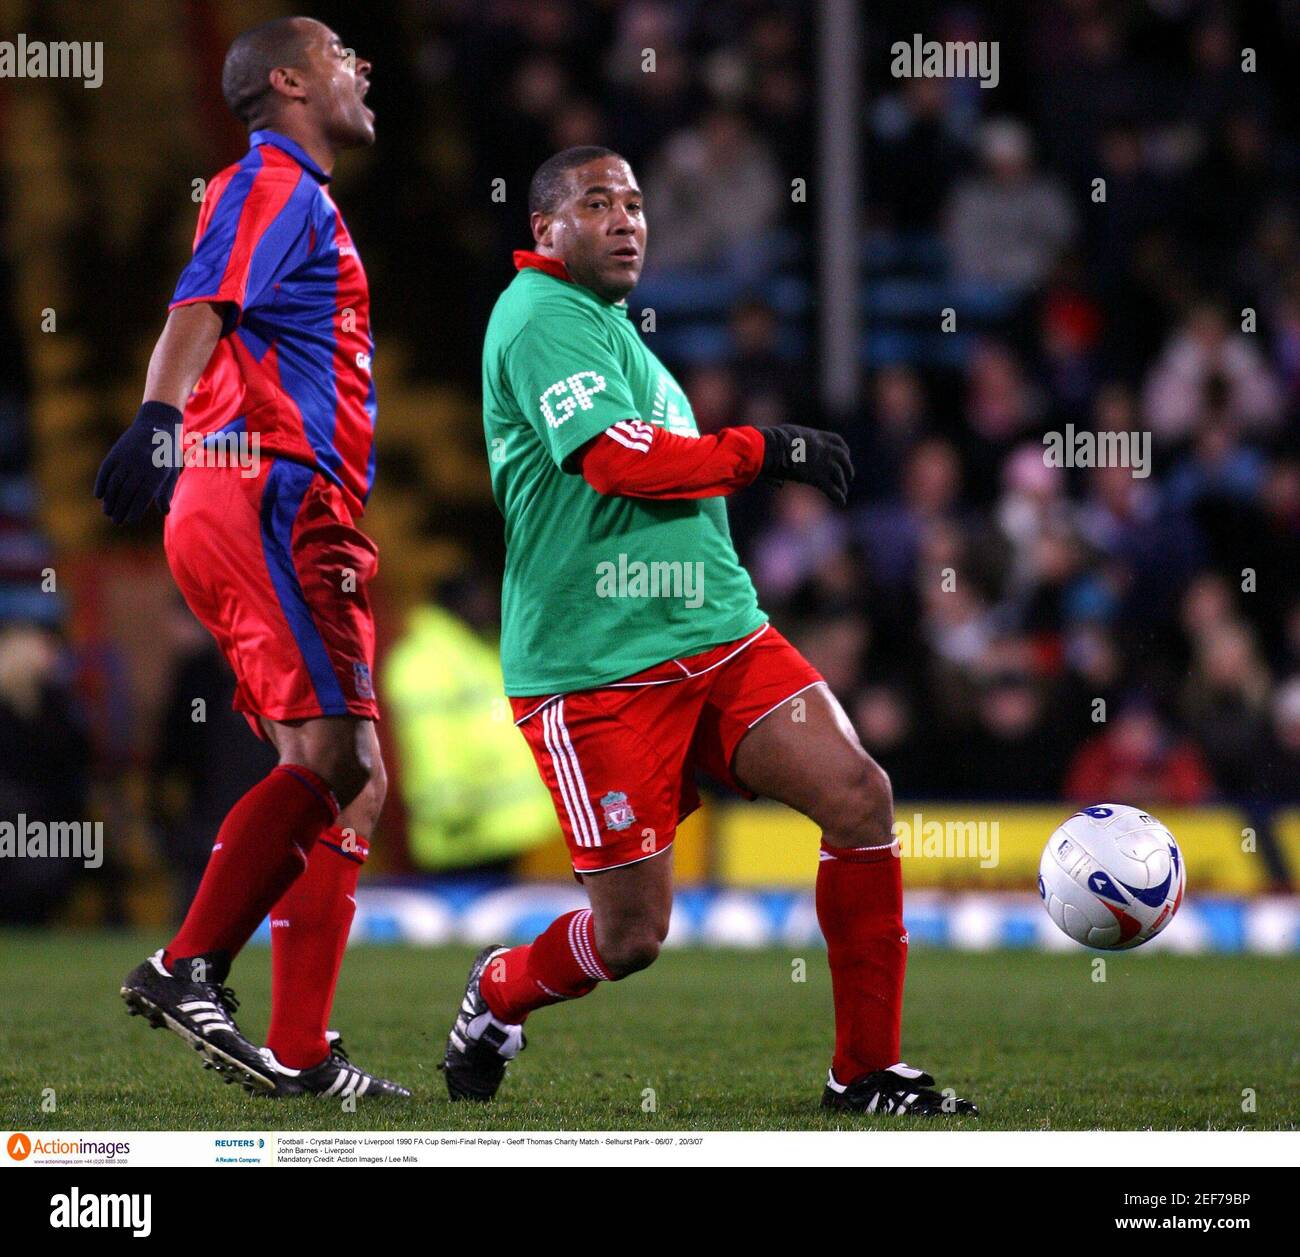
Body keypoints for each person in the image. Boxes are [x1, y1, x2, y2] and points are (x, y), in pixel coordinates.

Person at [445, 145, 977, 1117]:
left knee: (860, 798)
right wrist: (764, 448)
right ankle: (497, 992)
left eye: (637, 205)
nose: (626, 220)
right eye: (597, 202)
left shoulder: (613, 331)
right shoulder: (536, 319)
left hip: (718, 633)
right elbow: (613, 461)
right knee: (630, 938)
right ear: (544, 230)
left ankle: (864, 1073)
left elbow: (663, 473)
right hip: (596, 669)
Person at [95, 17, 406, 1100]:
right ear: (287, 81)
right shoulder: (273, 182)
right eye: (339, 52)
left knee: (345, 785)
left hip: (243, 499)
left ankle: (304, 1053)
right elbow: (205, 297)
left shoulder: (297, 198)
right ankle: (187, 966)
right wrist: (157, 417)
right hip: (269, 491)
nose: (363, 65)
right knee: (339, 759)